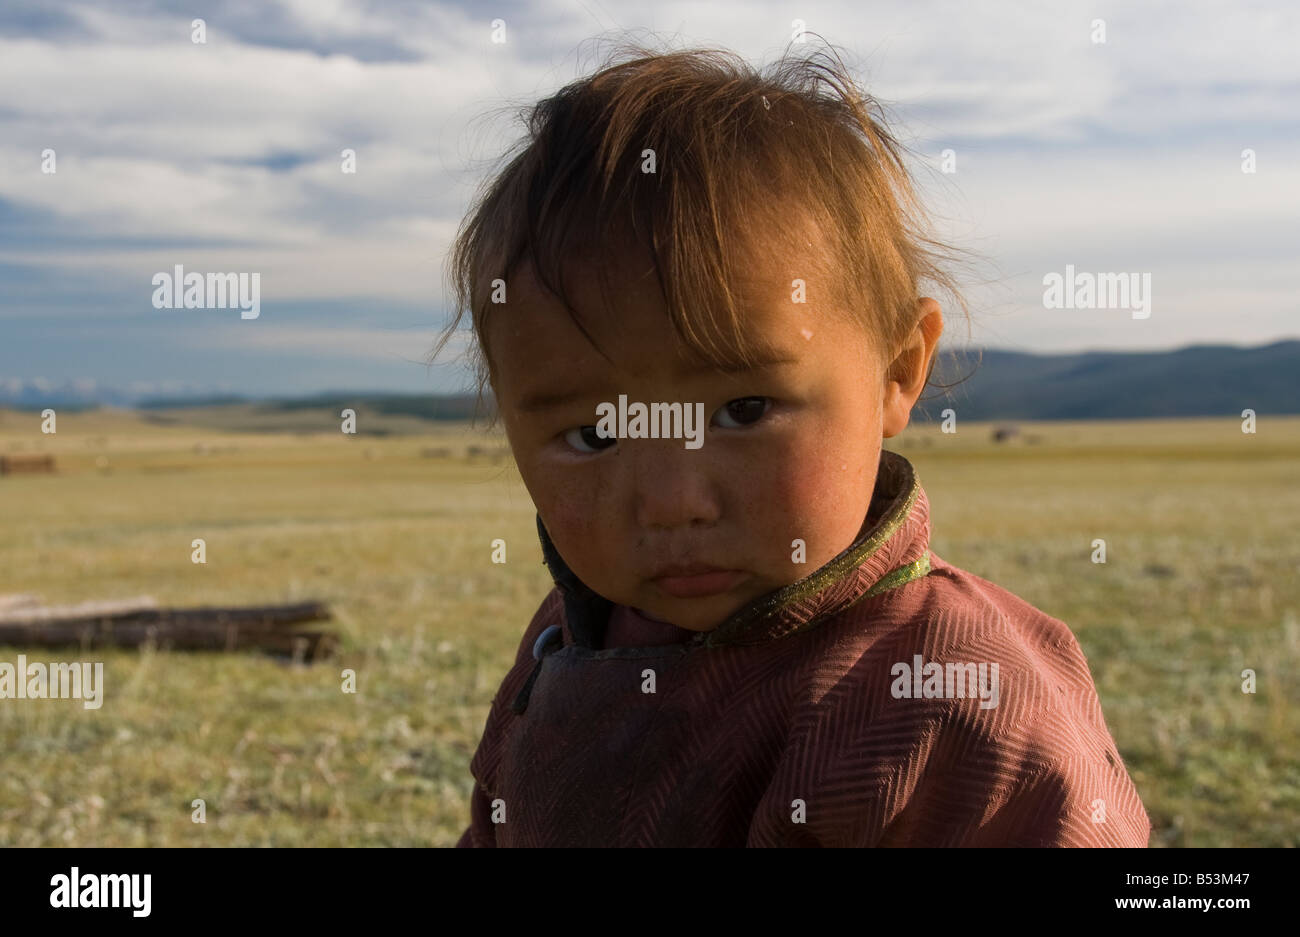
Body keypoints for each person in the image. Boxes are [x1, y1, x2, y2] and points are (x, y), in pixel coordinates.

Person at [436, 41, 1151, 847]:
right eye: (596, 433)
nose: (674, 502)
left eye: (743, 409)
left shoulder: (959, 698)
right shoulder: (571, 635)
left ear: (899, 368)